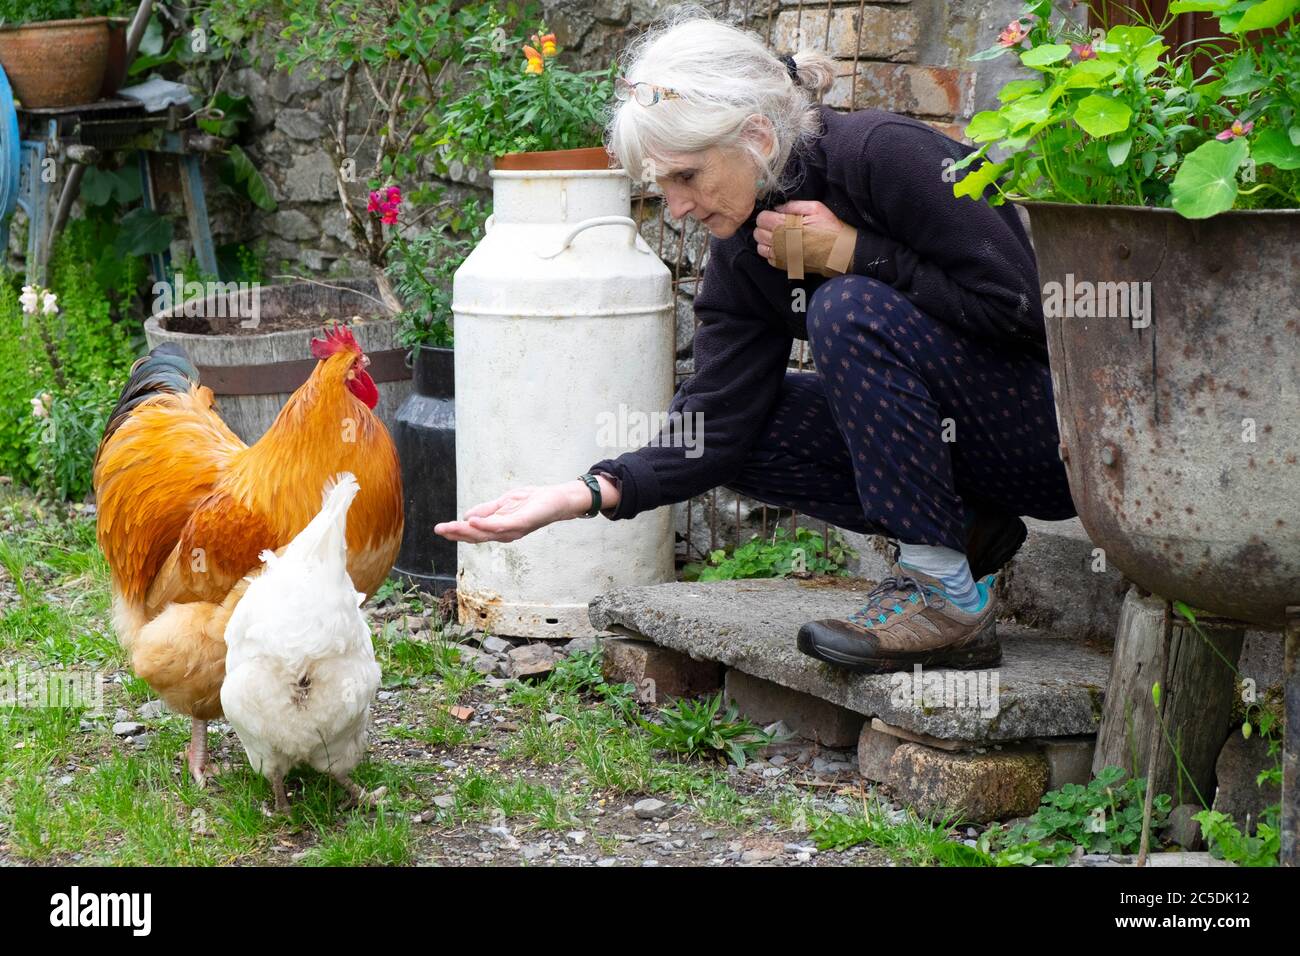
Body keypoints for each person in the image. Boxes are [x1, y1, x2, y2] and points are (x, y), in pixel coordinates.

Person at [435, 10, 1078, 673]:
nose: (676, 207)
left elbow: (1027, 313)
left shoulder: (885, 154)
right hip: (971, 458)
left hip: (1052, 439)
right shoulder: (744, 253)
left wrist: (861, 254)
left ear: (757, 136)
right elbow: (713, 424)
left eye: (687, 177)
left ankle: (946, 606)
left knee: (845, 308)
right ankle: (962, 536)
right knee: (747, 429)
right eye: (663, 186)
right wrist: (583, 493)